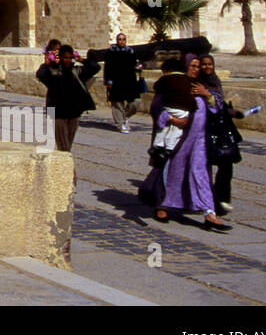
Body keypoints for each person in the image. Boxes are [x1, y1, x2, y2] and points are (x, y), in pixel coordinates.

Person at [140, 54, 230, 232]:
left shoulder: (204, 86)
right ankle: (162, 205)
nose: (196, 69)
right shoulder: (173, 84)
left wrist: (208, 95)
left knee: (201, 173)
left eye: (198, 66)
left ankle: (209, 214)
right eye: (193, 66)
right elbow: (156, 107)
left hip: (200, 140)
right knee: (172, 171)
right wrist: (172, 119)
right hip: (179, 139)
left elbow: (219, 108)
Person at [197, 53, 242, 214]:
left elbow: (219, 103)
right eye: (204, 64)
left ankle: (222, 197)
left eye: (209, 64)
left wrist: (232, 111)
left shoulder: (215, 81)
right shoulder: (197, 83)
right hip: (204, 128)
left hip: (220, 128)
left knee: (226, 163)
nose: (207, 67)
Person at [35, 42, 99, 152]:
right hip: (58, 112)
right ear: (60, 57)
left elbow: (95, 67)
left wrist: (81, 59)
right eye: (65, 57)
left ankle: (65, 166)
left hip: (73, 112)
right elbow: (40, 75)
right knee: (63, 146)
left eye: (70, 58)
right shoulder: (53, 71)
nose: (68, 60)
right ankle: (68, 168)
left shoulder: (76, 71)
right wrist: (47, 63)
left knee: (68, 144)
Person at [102, 32, 143, 133]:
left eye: (123, 39)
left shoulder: (130, 51)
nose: (122, 41)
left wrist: (138, 68)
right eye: (120, 39)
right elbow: (107, 68)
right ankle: (120, 124)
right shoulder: (111, 52)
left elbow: (135, 64)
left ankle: (124, 117)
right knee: (117, 103)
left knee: (135, 102)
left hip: (130, 81)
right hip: (116, 81)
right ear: (117, 40)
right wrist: (108, 81)